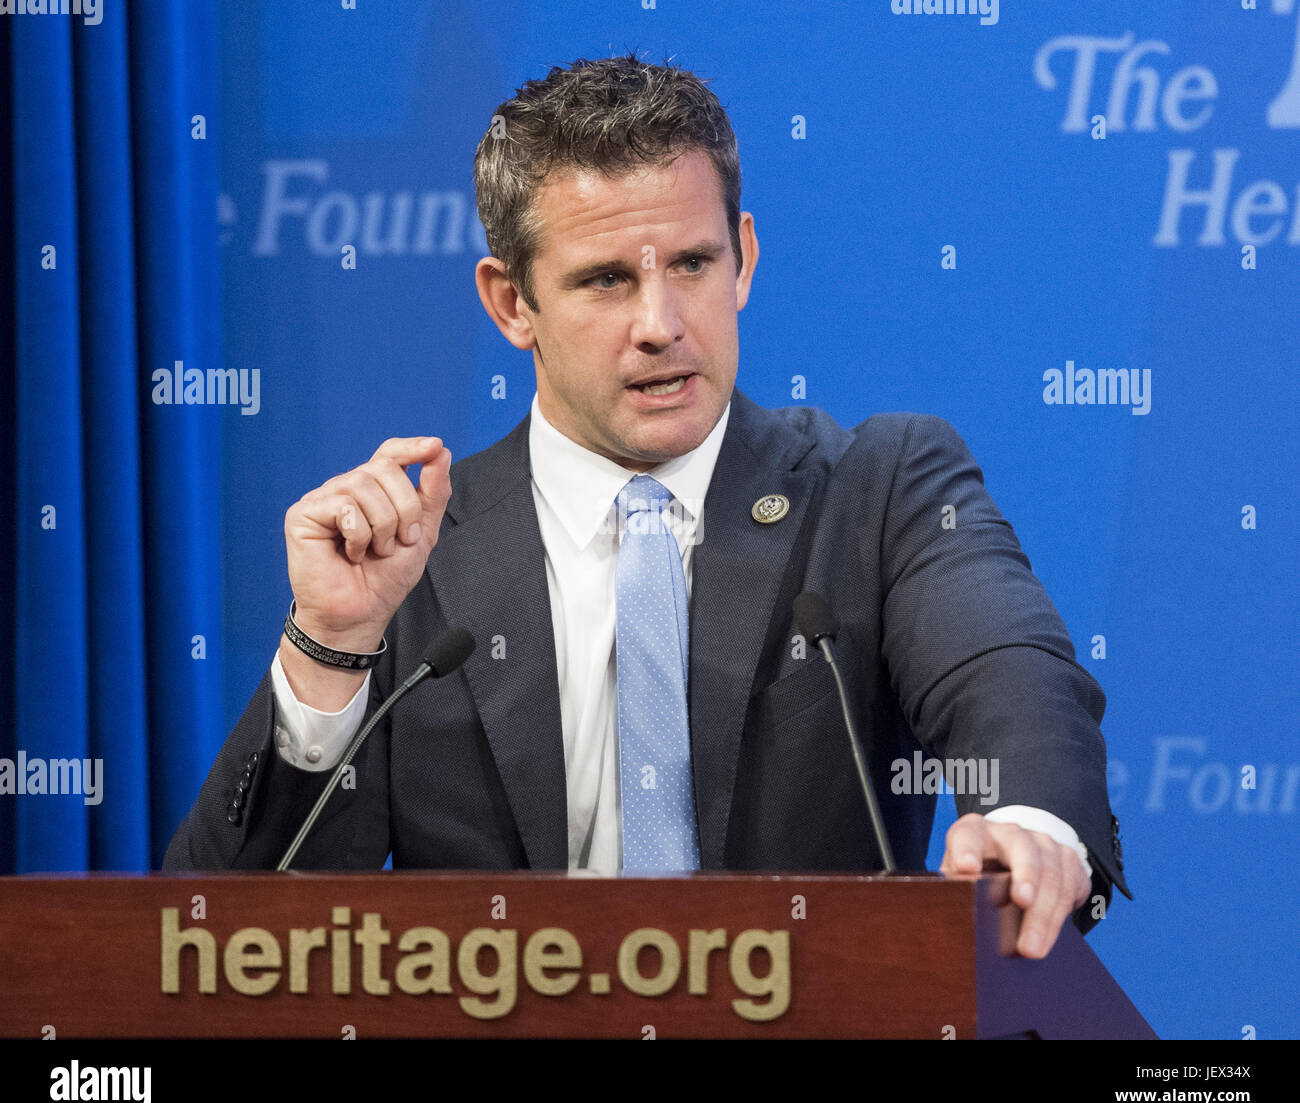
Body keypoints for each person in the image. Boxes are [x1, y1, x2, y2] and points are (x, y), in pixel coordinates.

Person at [165, 53, 1129, 960]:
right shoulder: (416, 553)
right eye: (606, 280)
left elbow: (1011, 675)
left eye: (693, 265)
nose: (661, 326)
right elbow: (226, 935)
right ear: (511, 304)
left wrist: (1033, 827)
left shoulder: (879, 491)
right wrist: (331, 645)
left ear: (743, 258)